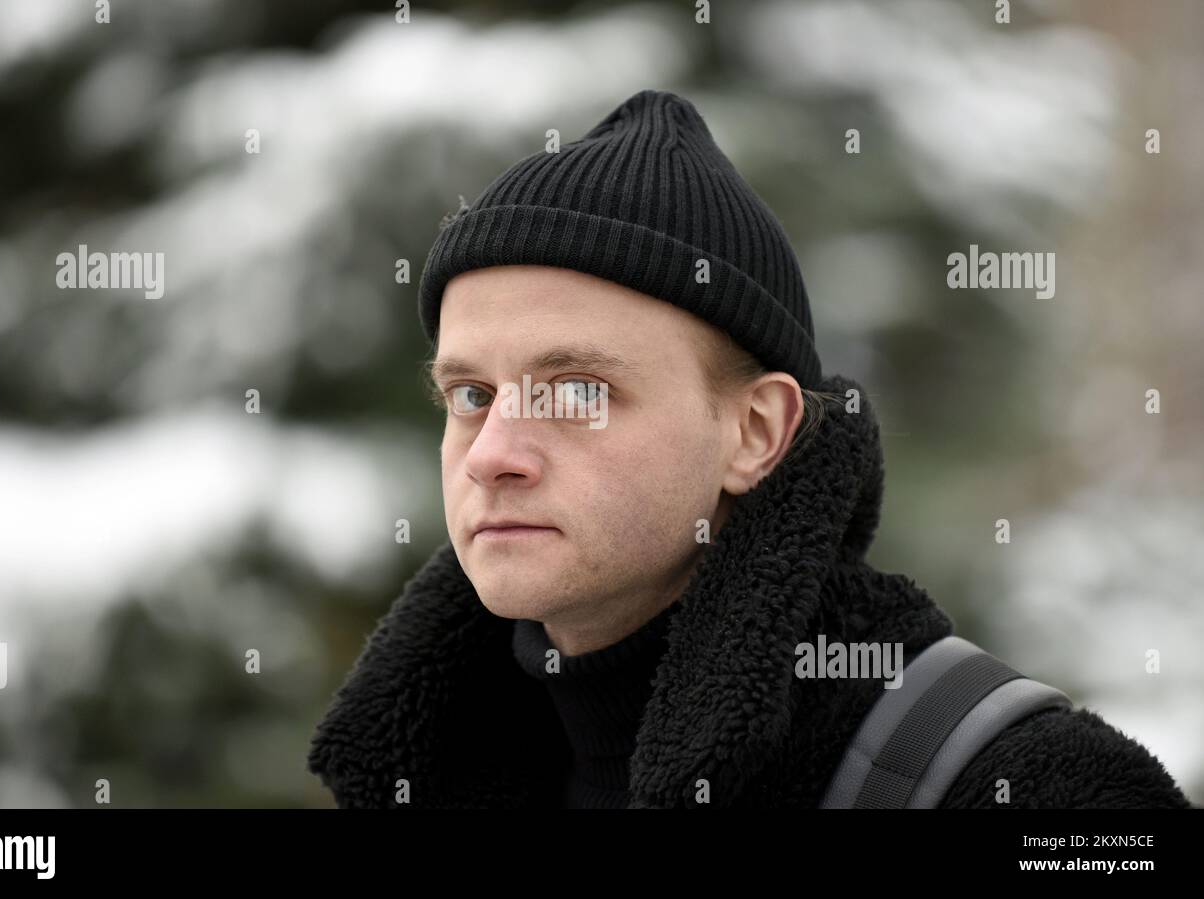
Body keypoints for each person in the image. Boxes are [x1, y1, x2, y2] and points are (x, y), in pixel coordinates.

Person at [307, 89, 1190, 809]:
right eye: (471, 395)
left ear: (757, 433)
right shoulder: (419, 768)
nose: (493, 452)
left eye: (577, 392)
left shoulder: (1019, 786)